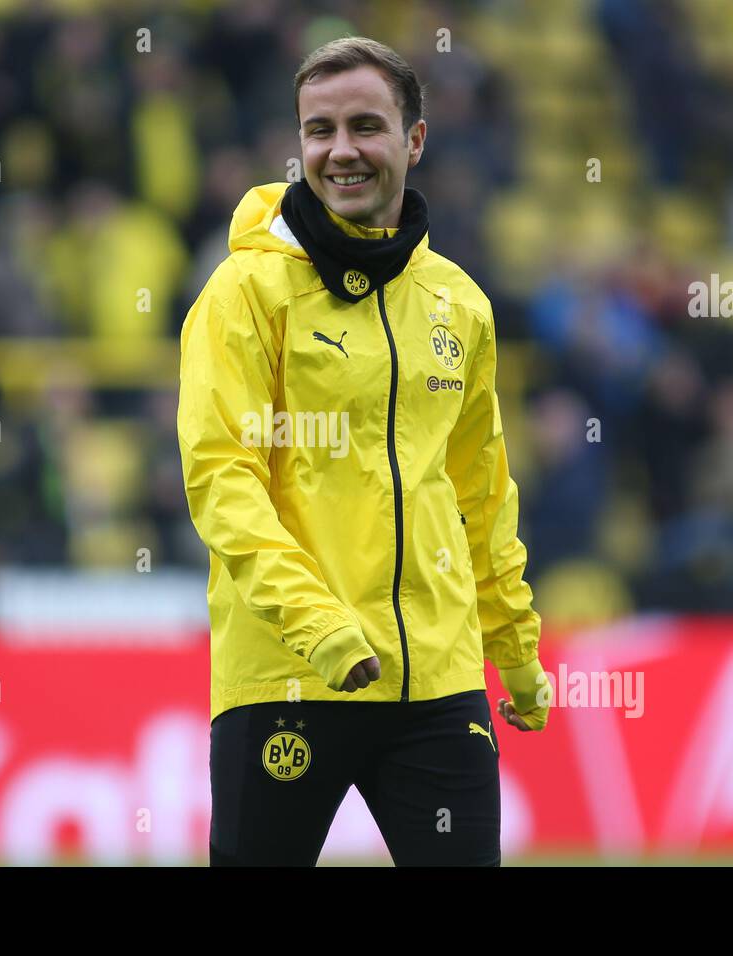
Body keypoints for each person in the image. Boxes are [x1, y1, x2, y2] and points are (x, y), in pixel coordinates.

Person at [177, 36, 550, 867]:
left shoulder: (460, 305)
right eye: (319, 130)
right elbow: (221, 482)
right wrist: (323, 631)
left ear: (414, 141)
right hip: (288, 679)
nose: (340, 150)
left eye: (364, 126)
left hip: (436, 685)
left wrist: (515, 649)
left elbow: (481, 492)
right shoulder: (242, 295)